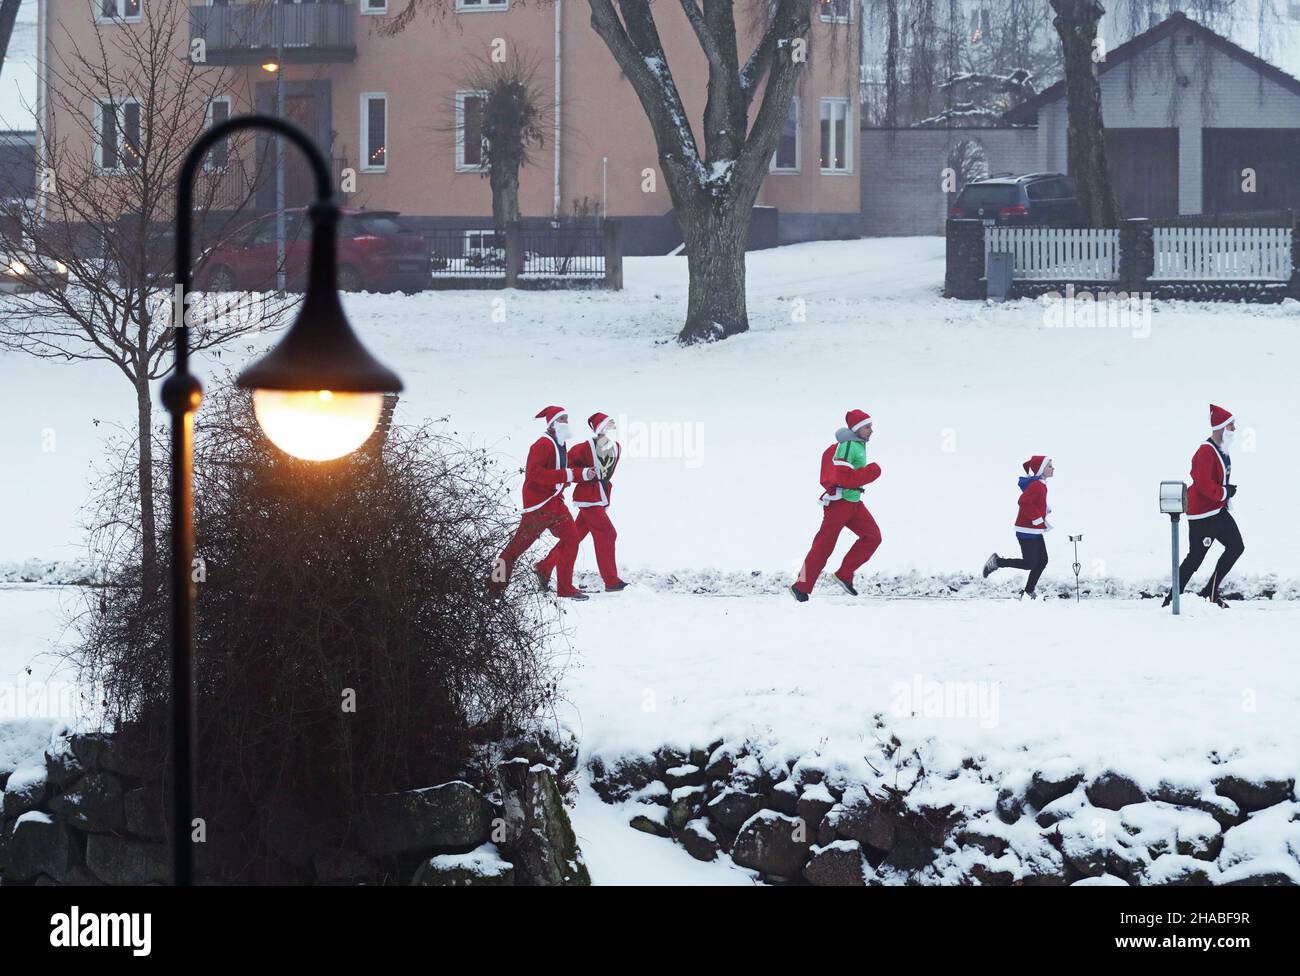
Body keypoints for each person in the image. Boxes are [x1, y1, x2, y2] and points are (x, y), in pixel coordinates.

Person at [489, 405, 596, 601]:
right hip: (539, 509)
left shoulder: (560, 444)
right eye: (563, 419)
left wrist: (583, 474)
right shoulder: (542, 445)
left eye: (567, 419)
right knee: (514, 550)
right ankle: (493, 587)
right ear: (553, 423)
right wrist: (570, 474)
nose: (567, 422)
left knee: (572, 540)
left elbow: (563, 473)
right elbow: (534, 475)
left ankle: (564, 587)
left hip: (556, 504)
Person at [789, 409, 883, 602]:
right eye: (867, 427)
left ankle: (844, 574)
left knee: (873, 537)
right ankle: (801, 585)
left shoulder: (858, 444)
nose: (871, 430)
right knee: (822, 546)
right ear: (856, 428)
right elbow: (843, 477)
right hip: (839, 504)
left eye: (871, 426)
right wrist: (872, 472)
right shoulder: (848, 445)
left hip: (854, 502)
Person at [537, 412, 629, 593]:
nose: (612, 426)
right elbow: (567, 467)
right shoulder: (582, 448)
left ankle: (545, 566)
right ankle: (611, 581)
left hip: (600, 496)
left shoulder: (616, 446)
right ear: (599, 426)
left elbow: (607, 472)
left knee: (575, 536)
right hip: (588, 498)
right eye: (608, 423)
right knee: (607, 534)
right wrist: (584, 472)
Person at [1164, 404, 1244, 609]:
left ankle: (1210, 592)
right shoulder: (1205, 452)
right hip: (1202, 515)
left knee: (1236, 546)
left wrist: (1225, 495)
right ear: (1220, 428)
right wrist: (1225, 492)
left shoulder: (1222, 450)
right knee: (1196, 558)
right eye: (1231, 425)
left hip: (1217, 511)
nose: (1235, 429)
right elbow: (1203, 483)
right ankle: (1172, 599)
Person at [982, 455, 1053, 600]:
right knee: (1030, 563)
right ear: (1041, 470)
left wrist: (1044, 509)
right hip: (1026, 531)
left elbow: (1033, 501)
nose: (1053, 468)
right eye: (1050, 466)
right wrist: (1037, 518)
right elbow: (1024, 501)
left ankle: (1029, 590)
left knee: (1042, 560)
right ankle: (997, 562)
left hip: (1034, 530)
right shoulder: (1037, 485)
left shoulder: (1040, 484)